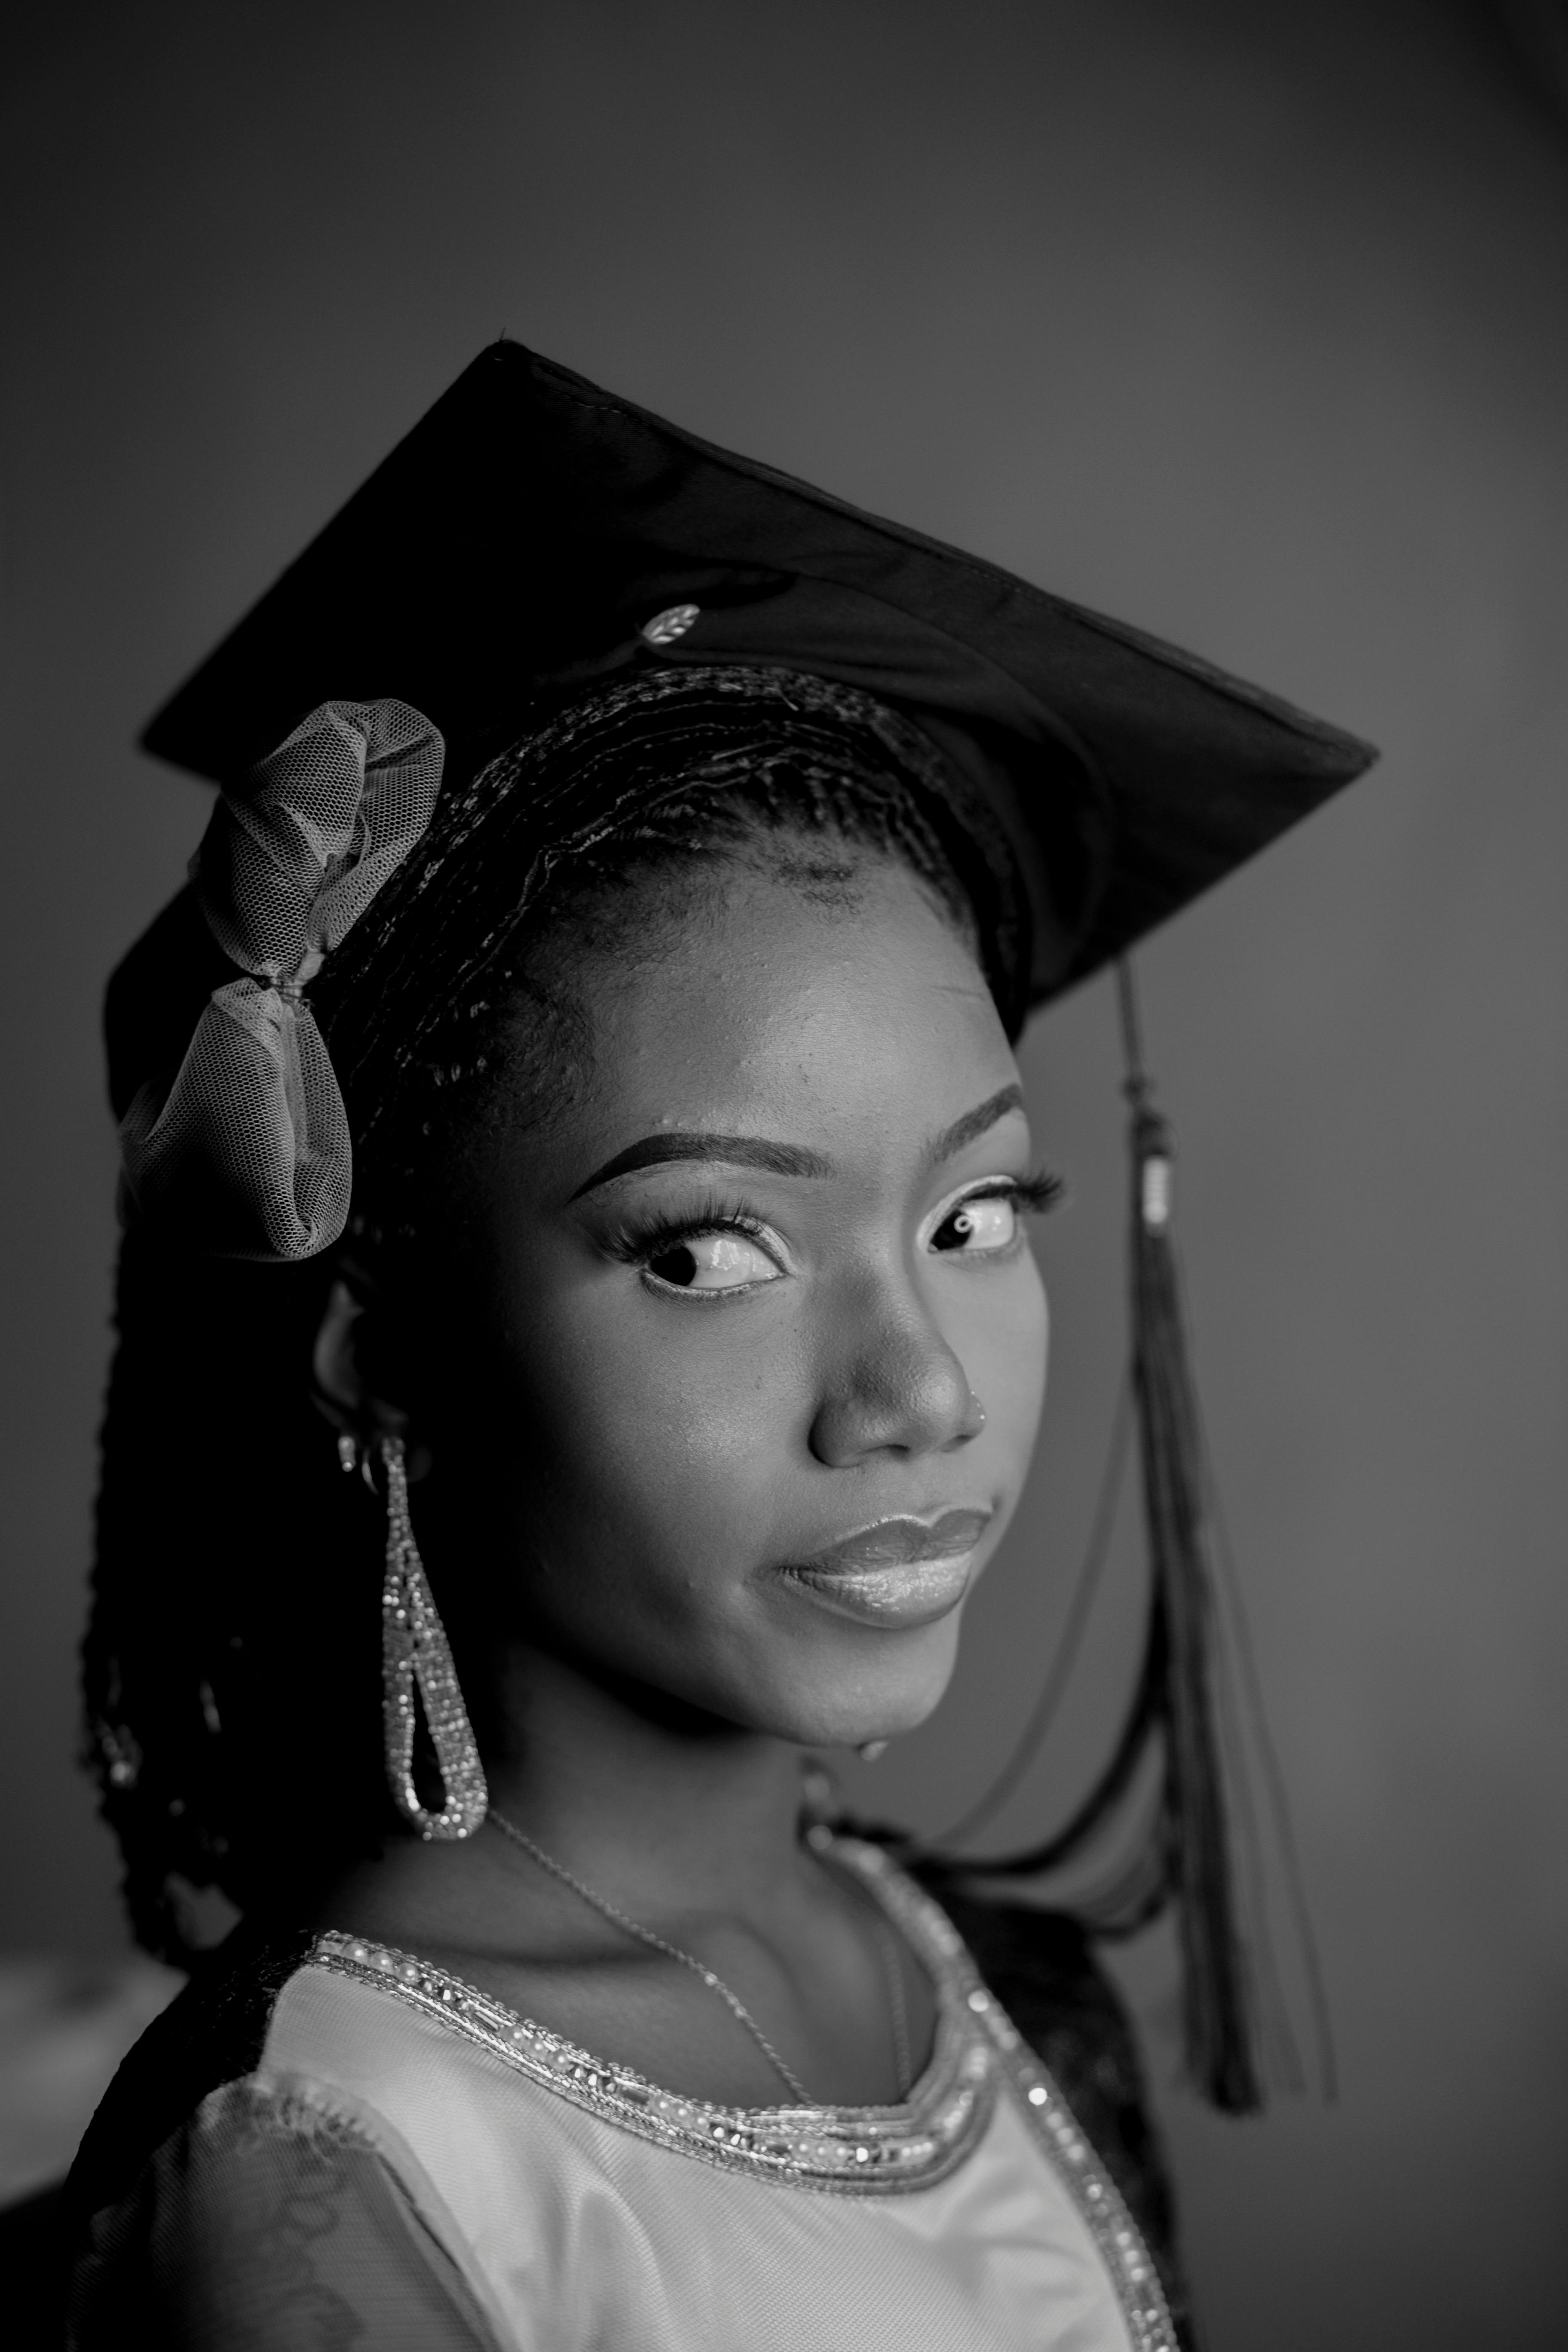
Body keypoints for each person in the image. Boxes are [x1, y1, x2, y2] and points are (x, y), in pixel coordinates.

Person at [64, 343, 1372, 2350]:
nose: (922, 1391)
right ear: (377, 1351)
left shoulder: (1010, 1989)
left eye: (974, 1215)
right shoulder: (329, 2177)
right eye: (710, 1251)